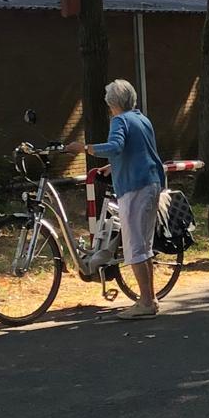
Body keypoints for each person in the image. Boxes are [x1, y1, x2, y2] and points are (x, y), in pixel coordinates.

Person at [68, 79, 164, 320]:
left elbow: (116, 145)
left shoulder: (119, 120)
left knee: (134, 248)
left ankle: (146, 302)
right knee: (144, 246)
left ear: (113, 103)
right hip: (152, 182)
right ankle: (149, 298)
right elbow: (140, 150)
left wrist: (85, 148)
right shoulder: (142, 119)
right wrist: (113, 166)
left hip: (134, 187)